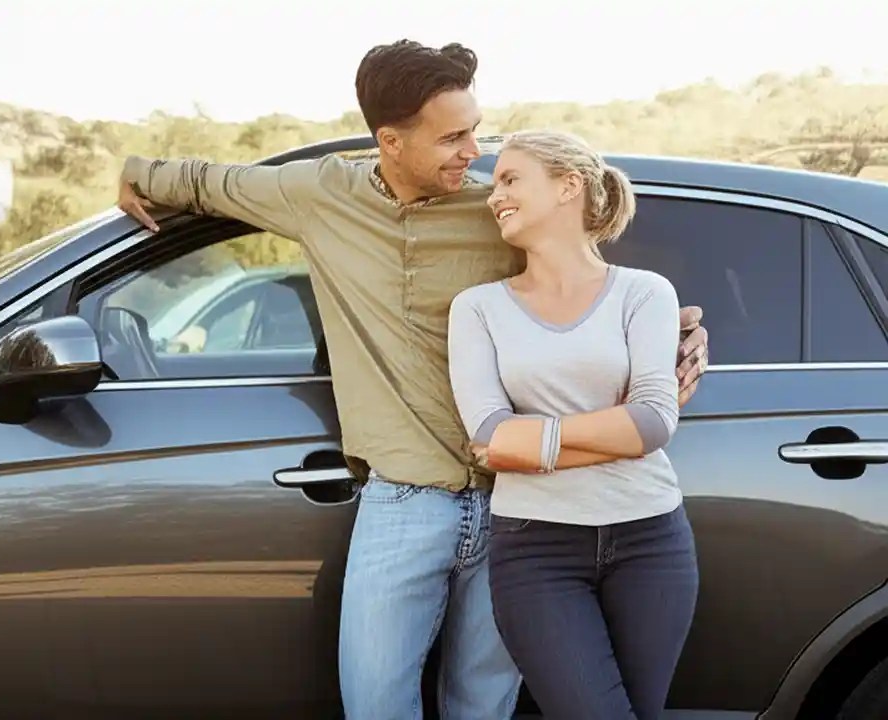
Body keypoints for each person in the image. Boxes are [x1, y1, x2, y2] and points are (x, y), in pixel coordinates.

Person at [115, 40, 710, 720]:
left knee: (481, 709)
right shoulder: (320, 193)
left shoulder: (501, 214)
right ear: (389, 141)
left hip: (520, 509)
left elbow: (598, 287)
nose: (474, 153)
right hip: (403, 502)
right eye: (453, 137)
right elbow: (208, 181)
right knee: (374, 706)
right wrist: (137, 173)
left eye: (476, 132)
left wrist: (687, 333)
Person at [448, 130, 699, 719]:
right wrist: (619, 438)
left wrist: (533, 443)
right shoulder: (478, 308)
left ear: (568, 185)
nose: (494, 195)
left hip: (652, 539)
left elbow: (656, 421)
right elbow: (489, 435)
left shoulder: (644, 293)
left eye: (510, 179)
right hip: (537, 549)